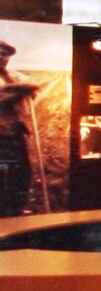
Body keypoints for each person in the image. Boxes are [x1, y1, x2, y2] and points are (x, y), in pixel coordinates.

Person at [0, 40, 40, 215]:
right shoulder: (16, 82)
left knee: (23, 173)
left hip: (15, 134)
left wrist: (17, 87)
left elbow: (33, 84)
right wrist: (19, 89)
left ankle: (16, 211)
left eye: (5, 54)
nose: (2, 58)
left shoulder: (14, 76)